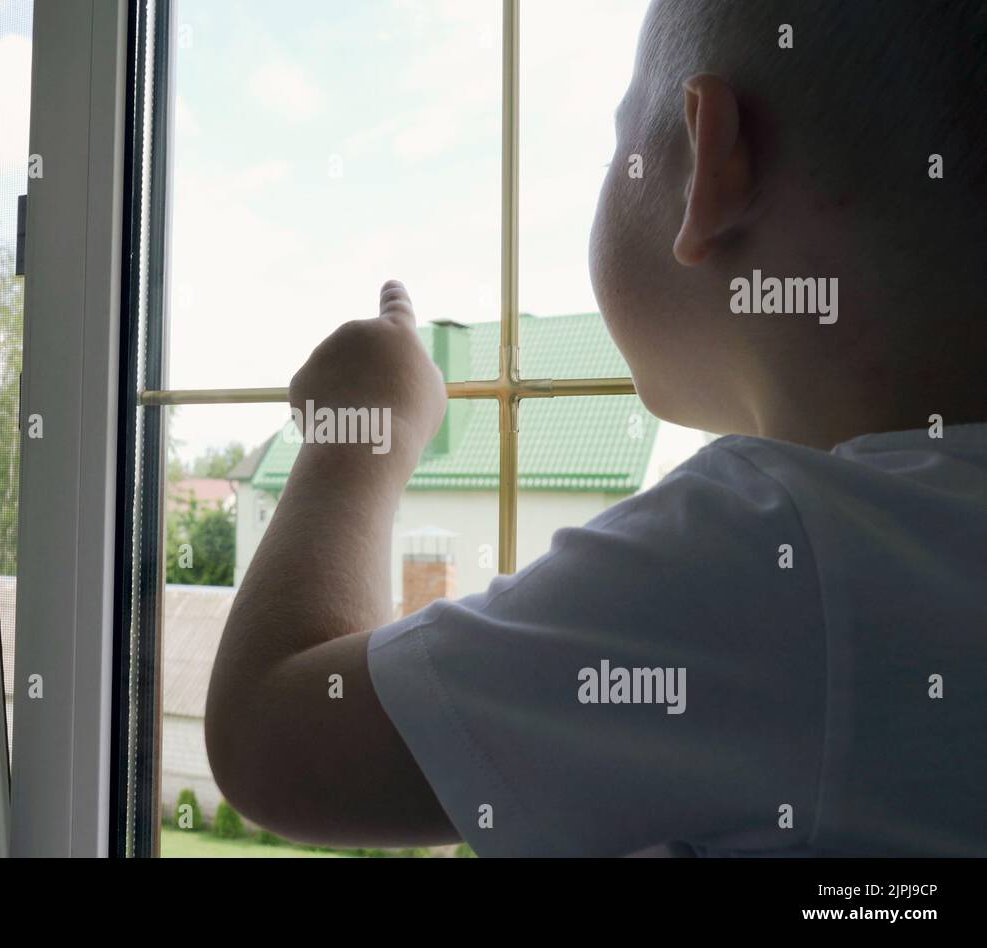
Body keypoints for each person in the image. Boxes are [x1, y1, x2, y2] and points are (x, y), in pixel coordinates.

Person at [204, 0, 987, 856]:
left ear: (709, 162)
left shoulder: (772, 553)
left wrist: (358, 433)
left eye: (623, 141)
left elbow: (275, 739)